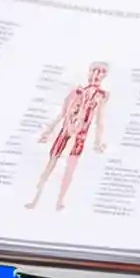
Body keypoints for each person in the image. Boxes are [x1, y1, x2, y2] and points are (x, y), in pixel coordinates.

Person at [26, 61, 110, 210]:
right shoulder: (77, 91)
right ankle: (35, 198)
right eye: (94, 71)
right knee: (50, 164)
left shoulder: (101, 96)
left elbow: (99, 119)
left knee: (70, 168)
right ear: (89, 72)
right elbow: (63, 113)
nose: (97, 75)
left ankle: (59, 201)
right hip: (65, 130)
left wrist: (98, 140)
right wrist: (48, 130)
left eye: (101, 72)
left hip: (80, 135)